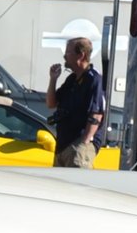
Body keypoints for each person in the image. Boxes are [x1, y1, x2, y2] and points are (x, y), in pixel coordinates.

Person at [45, 35, 105, 168]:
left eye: (68, 52)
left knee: (74, 186)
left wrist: (84, 142)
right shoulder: (72, 79)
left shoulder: (94, 79)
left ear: (81, 55)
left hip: (78, 146)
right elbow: (51, 103)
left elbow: (97, 113)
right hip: (63, 144)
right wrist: (53, 79)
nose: (64, 56)